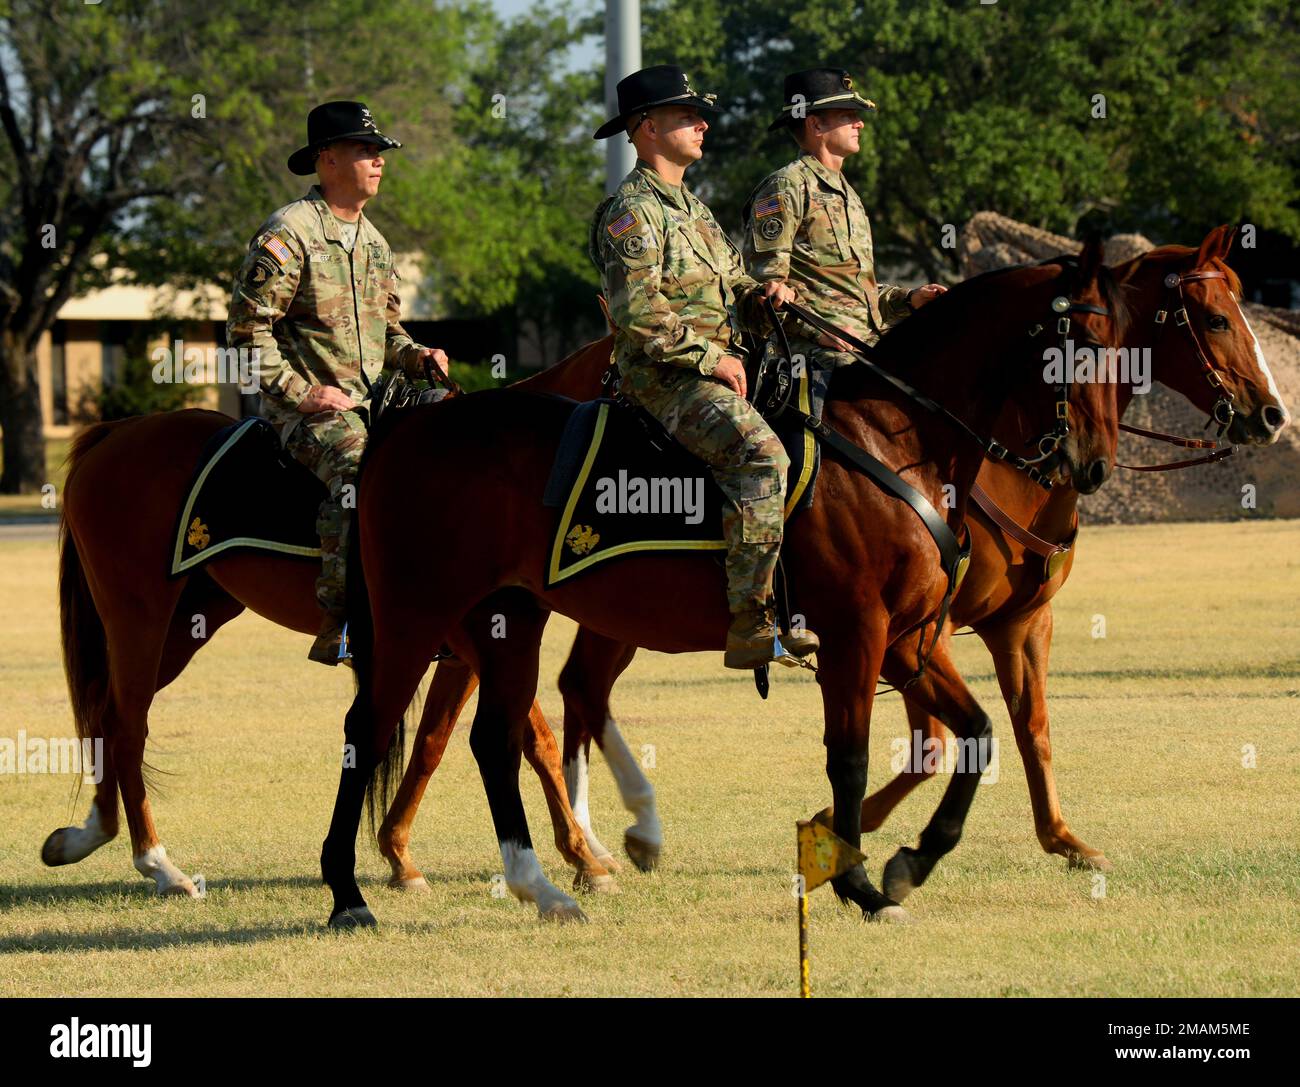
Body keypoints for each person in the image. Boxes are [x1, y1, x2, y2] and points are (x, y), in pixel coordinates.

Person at [589, 65, 819, 669]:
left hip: (726, 367)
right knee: (760, 455)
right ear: (645, 128)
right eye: (686, 114)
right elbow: (639, 314)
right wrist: (711, 358)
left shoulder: (694, 208)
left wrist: (763, 293)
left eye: (700, 114)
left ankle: (804, 601)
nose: (703, 123)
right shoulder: (630, 213)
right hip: (663, 379)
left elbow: (733, 280)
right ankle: (749, 619)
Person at [227, 101, 449, 665]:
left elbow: (387, 334)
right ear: (327, 160)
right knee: (358, 470)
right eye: (364, 150)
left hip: (374, 404)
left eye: (379, 153)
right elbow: (247, 332)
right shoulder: (288, 233)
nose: (378, 162)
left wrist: (419, 356)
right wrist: (303, 394)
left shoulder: (375, 242)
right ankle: (344, 620)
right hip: (304, 413)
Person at [743, 68, 946, 369]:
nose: (860, 123)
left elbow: (855, 294)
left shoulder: (848, 195)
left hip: (867, 344)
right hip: (813, 355)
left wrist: (910, 299)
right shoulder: (786, 187)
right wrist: (820, 332)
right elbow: (763, 293)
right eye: (848, 115)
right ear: (816, 125)